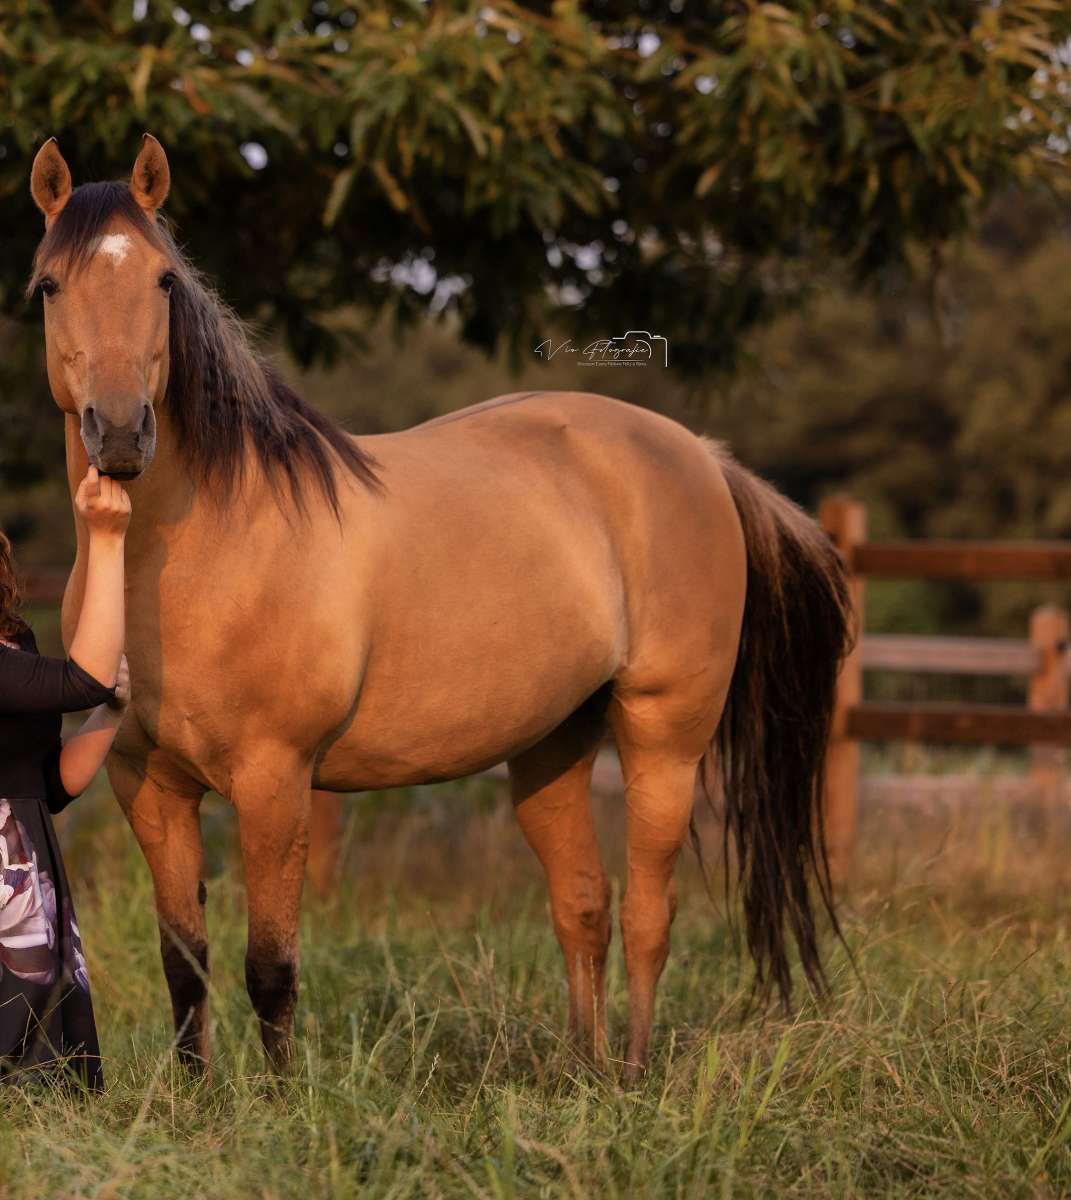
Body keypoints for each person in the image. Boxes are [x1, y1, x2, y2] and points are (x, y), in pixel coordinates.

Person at [0, 466, 131, 1090]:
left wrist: (111, 712)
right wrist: (105, 538)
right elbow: (83, 680)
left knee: (44, 1052)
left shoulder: (15, 645)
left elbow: (51, 786)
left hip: (26, 848)